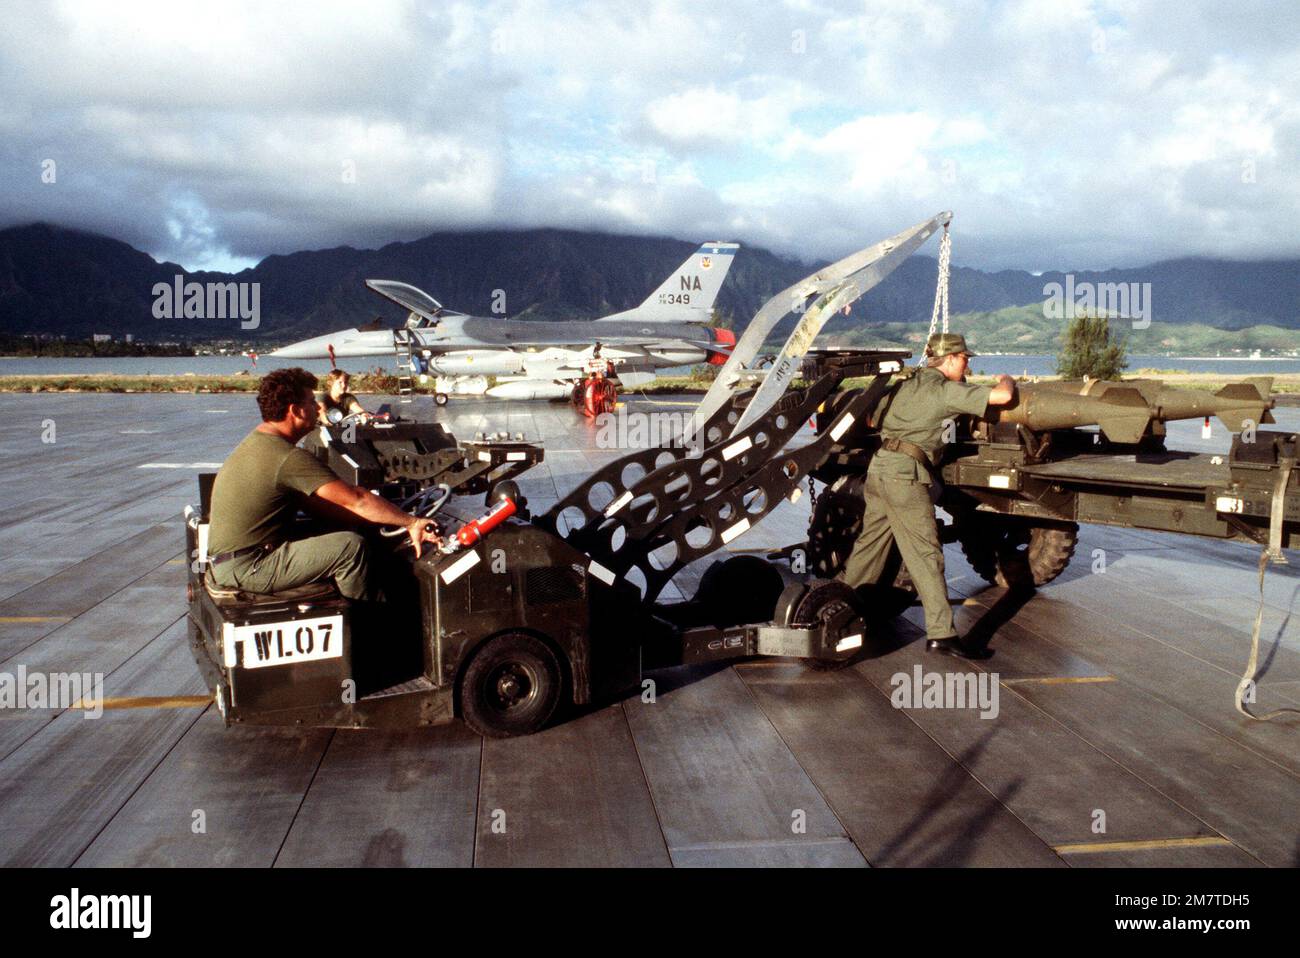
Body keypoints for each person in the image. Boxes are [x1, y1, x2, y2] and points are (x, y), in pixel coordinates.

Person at [838, 333, 1016, 659]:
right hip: (906, 478)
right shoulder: (945, 391)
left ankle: (839, 614)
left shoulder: (902, 386)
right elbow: (1002, 397)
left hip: (879, 472)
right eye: (964, 358)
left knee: (869, 549)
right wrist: (1008, 378)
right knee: (926, 557)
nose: (968, 364)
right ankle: (941, 634)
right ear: (948, 359)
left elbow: (869, 416)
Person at [206, 367, 437, 600]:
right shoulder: (287, 457)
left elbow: (322, 507)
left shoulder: (259, 442)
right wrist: (411, 521)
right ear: (295, 410)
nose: (318, 408)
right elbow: (357, 500)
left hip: (234, 562)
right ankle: (370, 627)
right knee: (350, 548)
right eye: (310, 402)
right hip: (251, 566)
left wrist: (382, 521)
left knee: (342, 531)